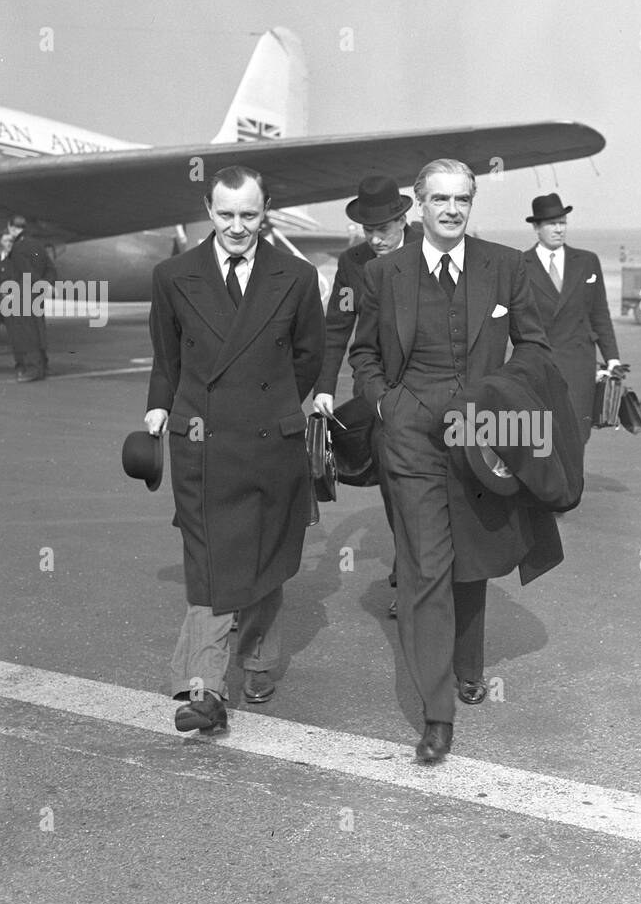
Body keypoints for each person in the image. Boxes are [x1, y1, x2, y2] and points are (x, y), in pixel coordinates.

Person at [350, 158, 562, 764]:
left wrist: (497, 400)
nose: (450, 210)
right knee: (425, 567)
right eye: (438, 199)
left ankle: (469, 664)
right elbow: (363, 354)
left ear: (472, 204)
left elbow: (536, 347)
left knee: (473, 557)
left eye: (461, 200)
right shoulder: (384, 273)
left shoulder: (505, 266)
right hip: (410, 438)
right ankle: (437, 713)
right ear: (418, 205)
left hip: (481, 435)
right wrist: (387, 406)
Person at [144, 165, 324, 732]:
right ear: (208, 208)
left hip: (271, 438)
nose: (237, 226)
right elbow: (166, 357)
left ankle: (259, 657)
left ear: (265, 209)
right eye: (226, 214)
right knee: (210, 564)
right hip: (201, 439)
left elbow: (307, 357)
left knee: (265, 556)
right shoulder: (174, 274)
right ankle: (206, 690)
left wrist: (274, 410)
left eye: (249, 214)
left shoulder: (295, 276)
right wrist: (158, 405)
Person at [313, 176, 419, 615]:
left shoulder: (431, 251)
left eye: (384, 229)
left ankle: (418, 575)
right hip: (377, 395)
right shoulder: (352, 263)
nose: (375, 239)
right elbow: (337, 328)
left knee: (422, 488)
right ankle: (411, 578)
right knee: (396, 485)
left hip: (425, 393)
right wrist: (322, 389)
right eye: (368, 229)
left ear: (402, 219)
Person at [520, 193, 623, 443]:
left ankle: (571, 483)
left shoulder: (587, 261)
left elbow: (600, 313)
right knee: (543, 435)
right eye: (551, 224)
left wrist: (612, 358)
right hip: (540, 365)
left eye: (562, 222)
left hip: (579, 364)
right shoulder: (521, 264)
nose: (558, 229)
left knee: (577, 433)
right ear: (536, 227)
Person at [0, 216, 56, 381]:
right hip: (36, 296)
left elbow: (26, 272)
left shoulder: (17, 248)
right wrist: (45, 285)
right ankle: (44, 366)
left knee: (26, 333)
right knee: (38, 330)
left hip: (22, 295)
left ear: (11, 227)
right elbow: (51, 269)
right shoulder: (37, 245)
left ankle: (32, 370)